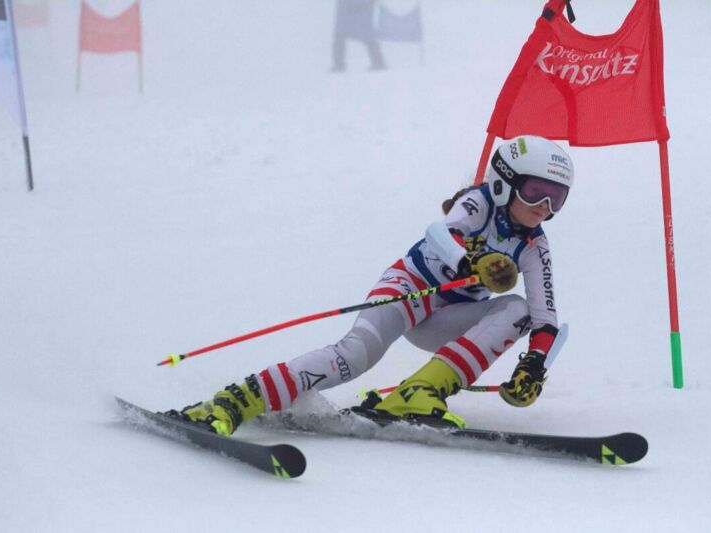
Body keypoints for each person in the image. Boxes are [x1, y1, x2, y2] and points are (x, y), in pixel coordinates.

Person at [166, 135, 574, 435]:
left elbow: (545, 317)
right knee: (354, 357)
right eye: (537, 192)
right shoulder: (479, 202)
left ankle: (417, 392)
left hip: (447, 318)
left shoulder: (535, 245)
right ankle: (232, 401)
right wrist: (471, 260)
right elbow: (438, 233)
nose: (545, 208)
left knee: (517, 309)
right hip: (409, 290)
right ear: (504, 181)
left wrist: (533, 366)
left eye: (557, 198)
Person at [331, 0, 386, 72]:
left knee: (367, 34)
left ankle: (378, 62)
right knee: (340, 34)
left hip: (364, 6)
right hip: (346, 6)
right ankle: (338, 64)